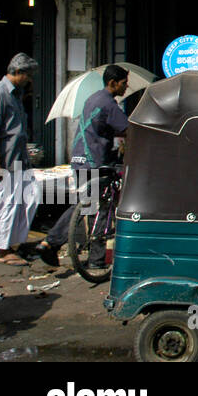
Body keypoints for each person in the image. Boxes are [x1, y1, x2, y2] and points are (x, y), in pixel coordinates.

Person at [35, 65, 130, 267]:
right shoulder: (109, 104)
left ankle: (49, 243)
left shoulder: (93, 99)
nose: (126, 87)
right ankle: (94, 259)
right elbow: (128, 129)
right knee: (101, 209)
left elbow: (101, 127)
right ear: (113, 83)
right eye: (124, 83)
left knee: (85, 204)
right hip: (95, 163)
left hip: (80, 160)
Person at [0, 53, 39, 265]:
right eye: (28, 75)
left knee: (31, 197)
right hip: (7, 160)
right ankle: (3, 250)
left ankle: (14, 242)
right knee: (9, 203)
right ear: (18, 72)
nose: (29, 80)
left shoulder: (17, 94)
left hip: (21, 158)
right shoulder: (0, 93)